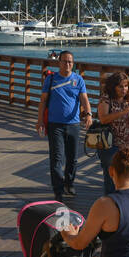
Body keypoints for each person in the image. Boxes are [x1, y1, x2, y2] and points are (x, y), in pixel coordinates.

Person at [36, 51, 92, 200]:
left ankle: (69, 183)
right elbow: (42, 101)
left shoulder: (78, 80)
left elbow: (84, 99)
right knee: (56, 158)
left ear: (73, 64)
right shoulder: (51, 79)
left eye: (70, 62)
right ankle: (58, 189)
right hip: (55, 124)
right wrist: (40, 120)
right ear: (59, 62)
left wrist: (88, 114)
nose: (67, 64)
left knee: (72, 158)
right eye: (64, 61)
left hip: (73, 124)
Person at [95, 72, 129, 196]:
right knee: (111, 179)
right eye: (120, 86)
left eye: (126, 86)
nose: (124, 89)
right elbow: (103, 119)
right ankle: (111, 206)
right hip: (110, 145)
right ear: (113, 86)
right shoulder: (106, 99)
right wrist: (123, 112)